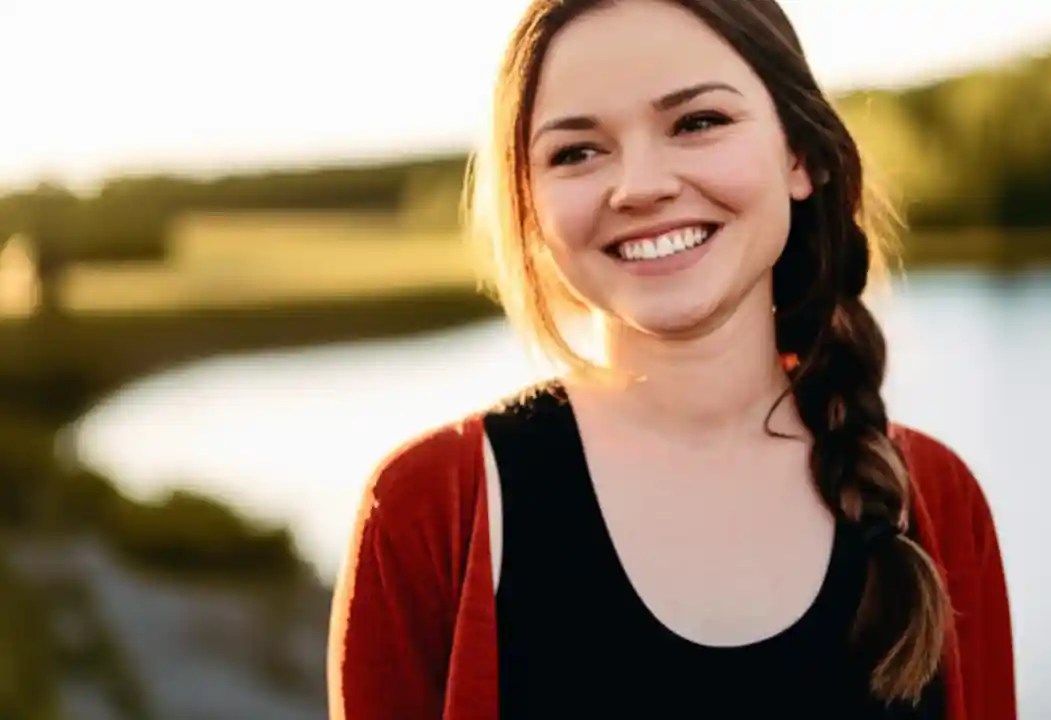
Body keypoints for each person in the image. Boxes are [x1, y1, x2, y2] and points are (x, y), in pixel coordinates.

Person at [327, 0, 1016, 718]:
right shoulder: (431, 509)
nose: (641, 186)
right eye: (577, 152)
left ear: (800, 157)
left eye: (697, 122)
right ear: (530, 206)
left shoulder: (935, 501)